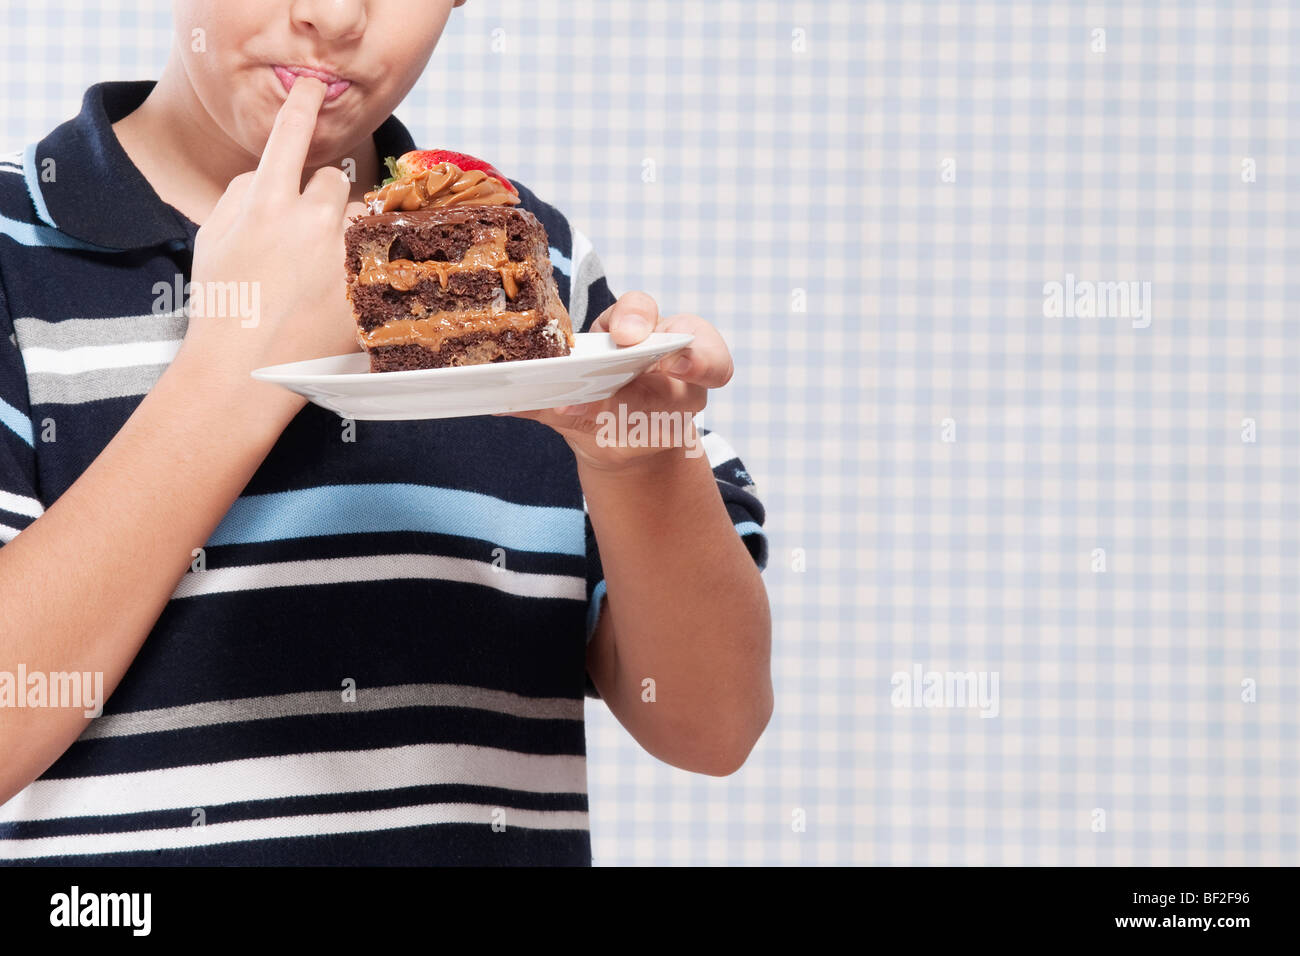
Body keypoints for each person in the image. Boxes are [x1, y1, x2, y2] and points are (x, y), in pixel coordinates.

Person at [0, 0, 770, 865]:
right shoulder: (12, 253)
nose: (332, 16)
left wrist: (641, 467)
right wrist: (235, 365)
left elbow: (714, 727)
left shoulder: (523, 263)